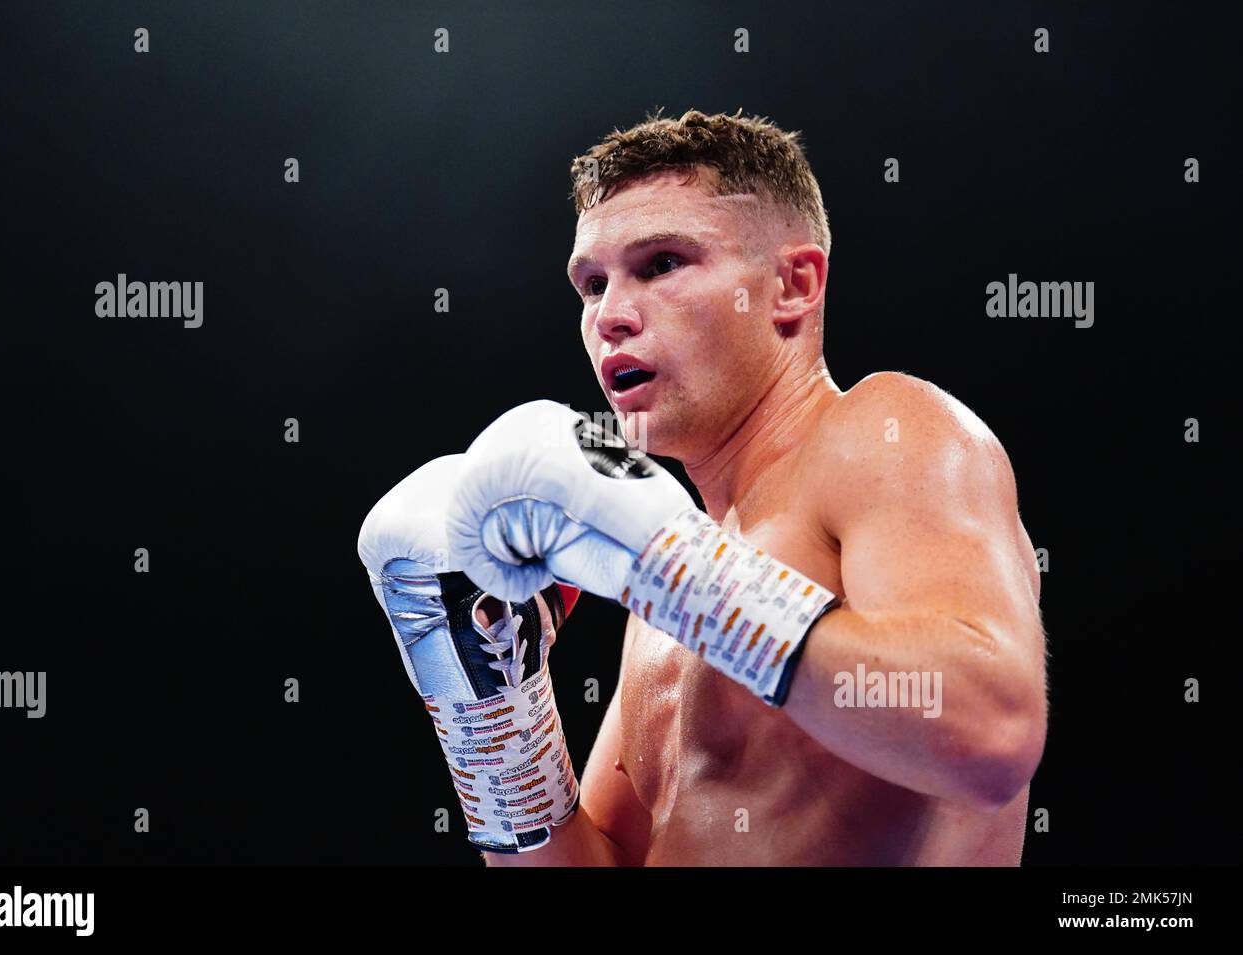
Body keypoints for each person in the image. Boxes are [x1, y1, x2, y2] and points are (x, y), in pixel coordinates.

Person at [364, 109, 1047, 865]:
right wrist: (493, 717)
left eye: (660, 264)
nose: (611, 317)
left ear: (792, 284)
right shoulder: (665, 582)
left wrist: (679, 575)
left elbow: (993, 733)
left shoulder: (886, 433)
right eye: (591, 285)